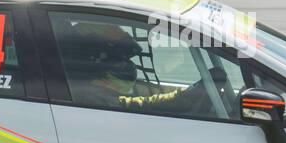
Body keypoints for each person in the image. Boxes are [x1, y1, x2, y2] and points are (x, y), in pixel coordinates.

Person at [64, 22, 204, 113]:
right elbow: (136, 106)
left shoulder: (81, 31)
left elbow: (132, 47)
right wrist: (182, 97)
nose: (124, 63)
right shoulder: (89, 97)